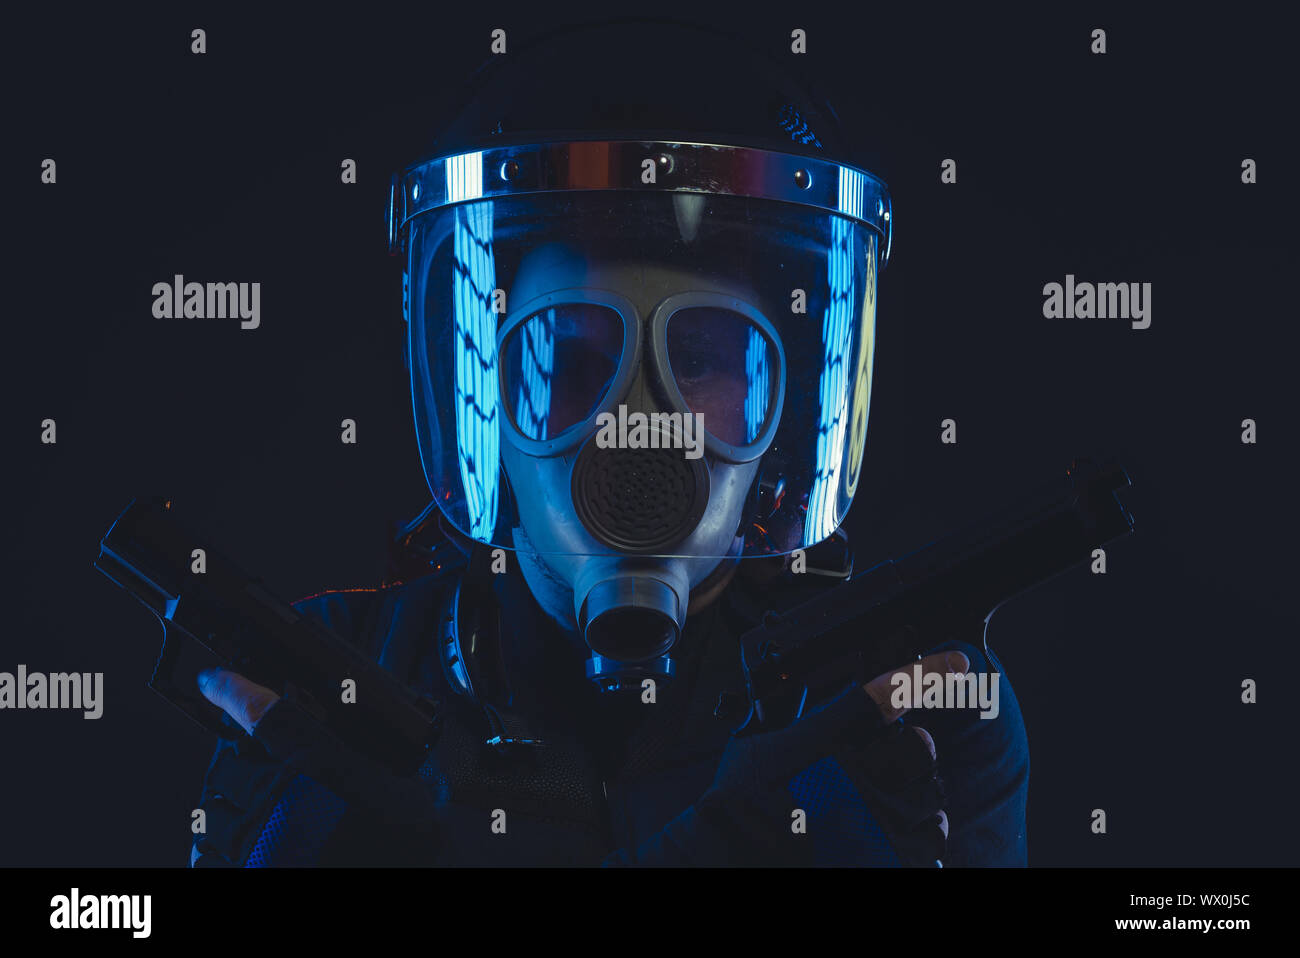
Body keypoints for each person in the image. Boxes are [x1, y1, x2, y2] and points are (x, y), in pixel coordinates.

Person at [188, 17, 1028, 867]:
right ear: (483, 391)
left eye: (699, 356)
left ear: (782, 404)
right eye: (571, 356)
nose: (635, 425)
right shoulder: (339, 693)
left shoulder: (876, 707)